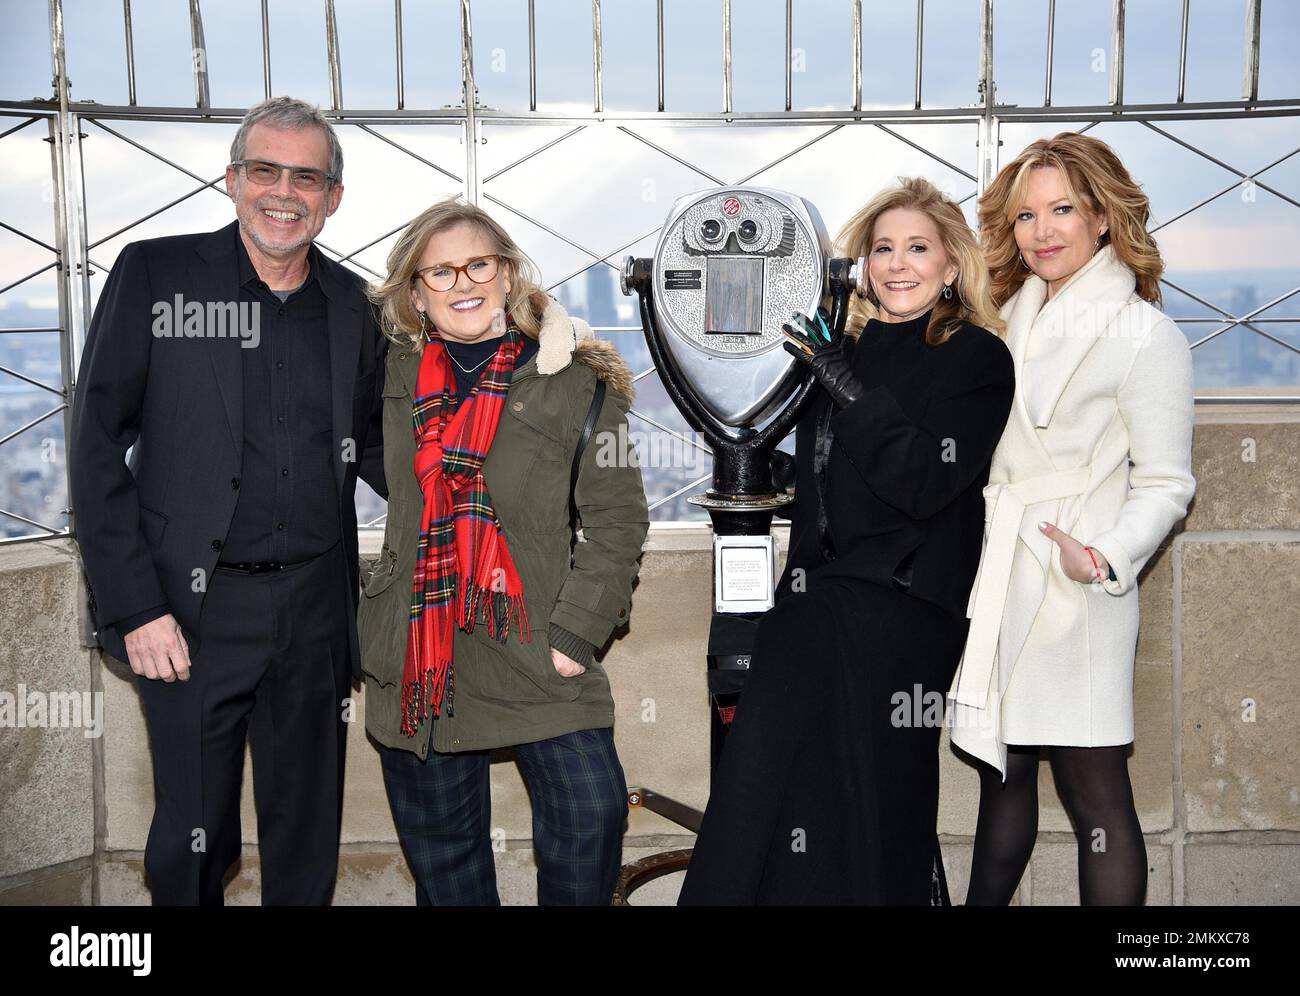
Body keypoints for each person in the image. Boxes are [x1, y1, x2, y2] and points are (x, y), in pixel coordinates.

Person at [69, 97, 387, 904]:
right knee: (191, 835)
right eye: (264, 170)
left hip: (316, 608)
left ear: (333, 196)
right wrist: (136, 607)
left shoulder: (357, 306)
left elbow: (385, 450)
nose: (284, 191)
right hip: (187, 612)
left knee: (306, 828)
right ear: (233, 180)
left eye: (306, 176)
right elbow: (94, 444)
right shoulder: (158, 273)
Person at [678, 177, 1015, 905]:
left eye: (917, 248)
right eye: (882, 249)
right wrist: (760, 456)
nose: (897, 264)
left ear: (952, 265)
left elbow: (925, 480)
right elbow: (843, 479)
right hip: (827, 595)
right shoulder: (847, 353)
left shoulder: (977, 359)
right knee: (806, 788)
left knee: (856, 780)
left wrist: (840, 383)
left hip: (901, 602)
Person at [359, 197, 648, 906]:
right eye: (440, 271)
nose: (462, 283)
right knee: (448, 866)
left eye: (478, 264)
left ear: (508, 271)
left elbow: (618, 517)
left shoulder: (572, 381)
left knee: (592, 808)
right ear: (414, 291)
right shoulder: (384, 375)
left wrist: (576, 632)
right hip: (420, 645)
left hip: (530, 636)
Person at [949, 132, 1196, 906]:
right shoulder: (1000, 318)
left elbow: (1165, 482)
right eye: (1026, 216)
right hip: (999, 568)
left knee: (1096, 792)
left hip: (1075, 580)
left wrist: (1103, 557)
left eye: (1063, 209)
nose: (1043, 230)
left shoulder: (1145, 335)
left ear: (1102, 216)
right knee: (1003, 773)